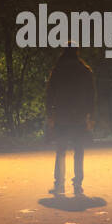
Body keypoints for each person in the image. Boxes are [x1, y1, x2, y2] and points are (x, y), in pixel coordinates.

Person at [45, 45, 95, 197]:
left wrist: (50, 114)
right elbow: (92, 95)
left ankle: (59, 184)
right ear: (77, 52)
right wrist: (90, 115)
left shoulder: (58, 70)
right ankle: (78, 185)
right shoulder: (85, 70)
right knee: (79, 150)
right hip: (79, 115)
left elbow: (49, 93)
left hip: (62, 114)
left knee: (61, 150)